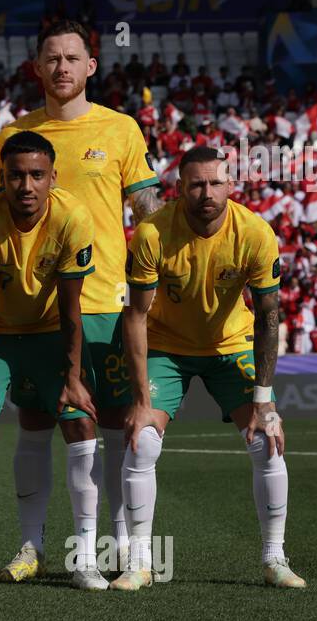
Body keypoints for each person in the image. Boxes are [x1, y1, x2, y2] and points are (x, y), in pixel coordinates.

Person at [0, 19, 161, 579]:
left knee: (107, 425)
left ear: (91, 66)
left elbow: (148, 214)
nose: (61, 67)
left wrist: (152, 286)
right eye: (51, 58)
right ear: (37, 67)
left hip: (104, 300)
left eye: (71, 58)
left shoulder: (121, 130)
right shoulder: (17, 135)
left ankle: (111, 547)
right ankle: (31, 548)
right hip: (32, 307)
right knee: (35, 421)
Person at [118, 146, 305, 591]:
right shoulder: (152, 233)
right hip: (167, 344)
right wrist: (141, 400)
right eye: (197, 184)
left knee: (268, 441)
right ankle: (139, 562)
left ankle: (274, 557)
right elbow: (136, 316)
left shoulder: (256, 233)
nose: (207, 192)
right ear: (180, 187)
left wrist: (264, 400)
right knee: (141, 443)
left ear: (230, 185)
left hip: (231, 344)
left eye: (216, 182)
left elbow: (269, 316)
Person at [0, 131, 100, 592]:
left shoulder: (73, 217)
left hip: (52, 332)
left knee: (79, 421)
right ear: (2, 179)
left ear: (54, 177)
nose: (25, 186)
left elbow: (72, 310)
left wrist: (73, 378)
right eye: (14, 176)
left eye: (36, 175)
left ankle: (85, 559)